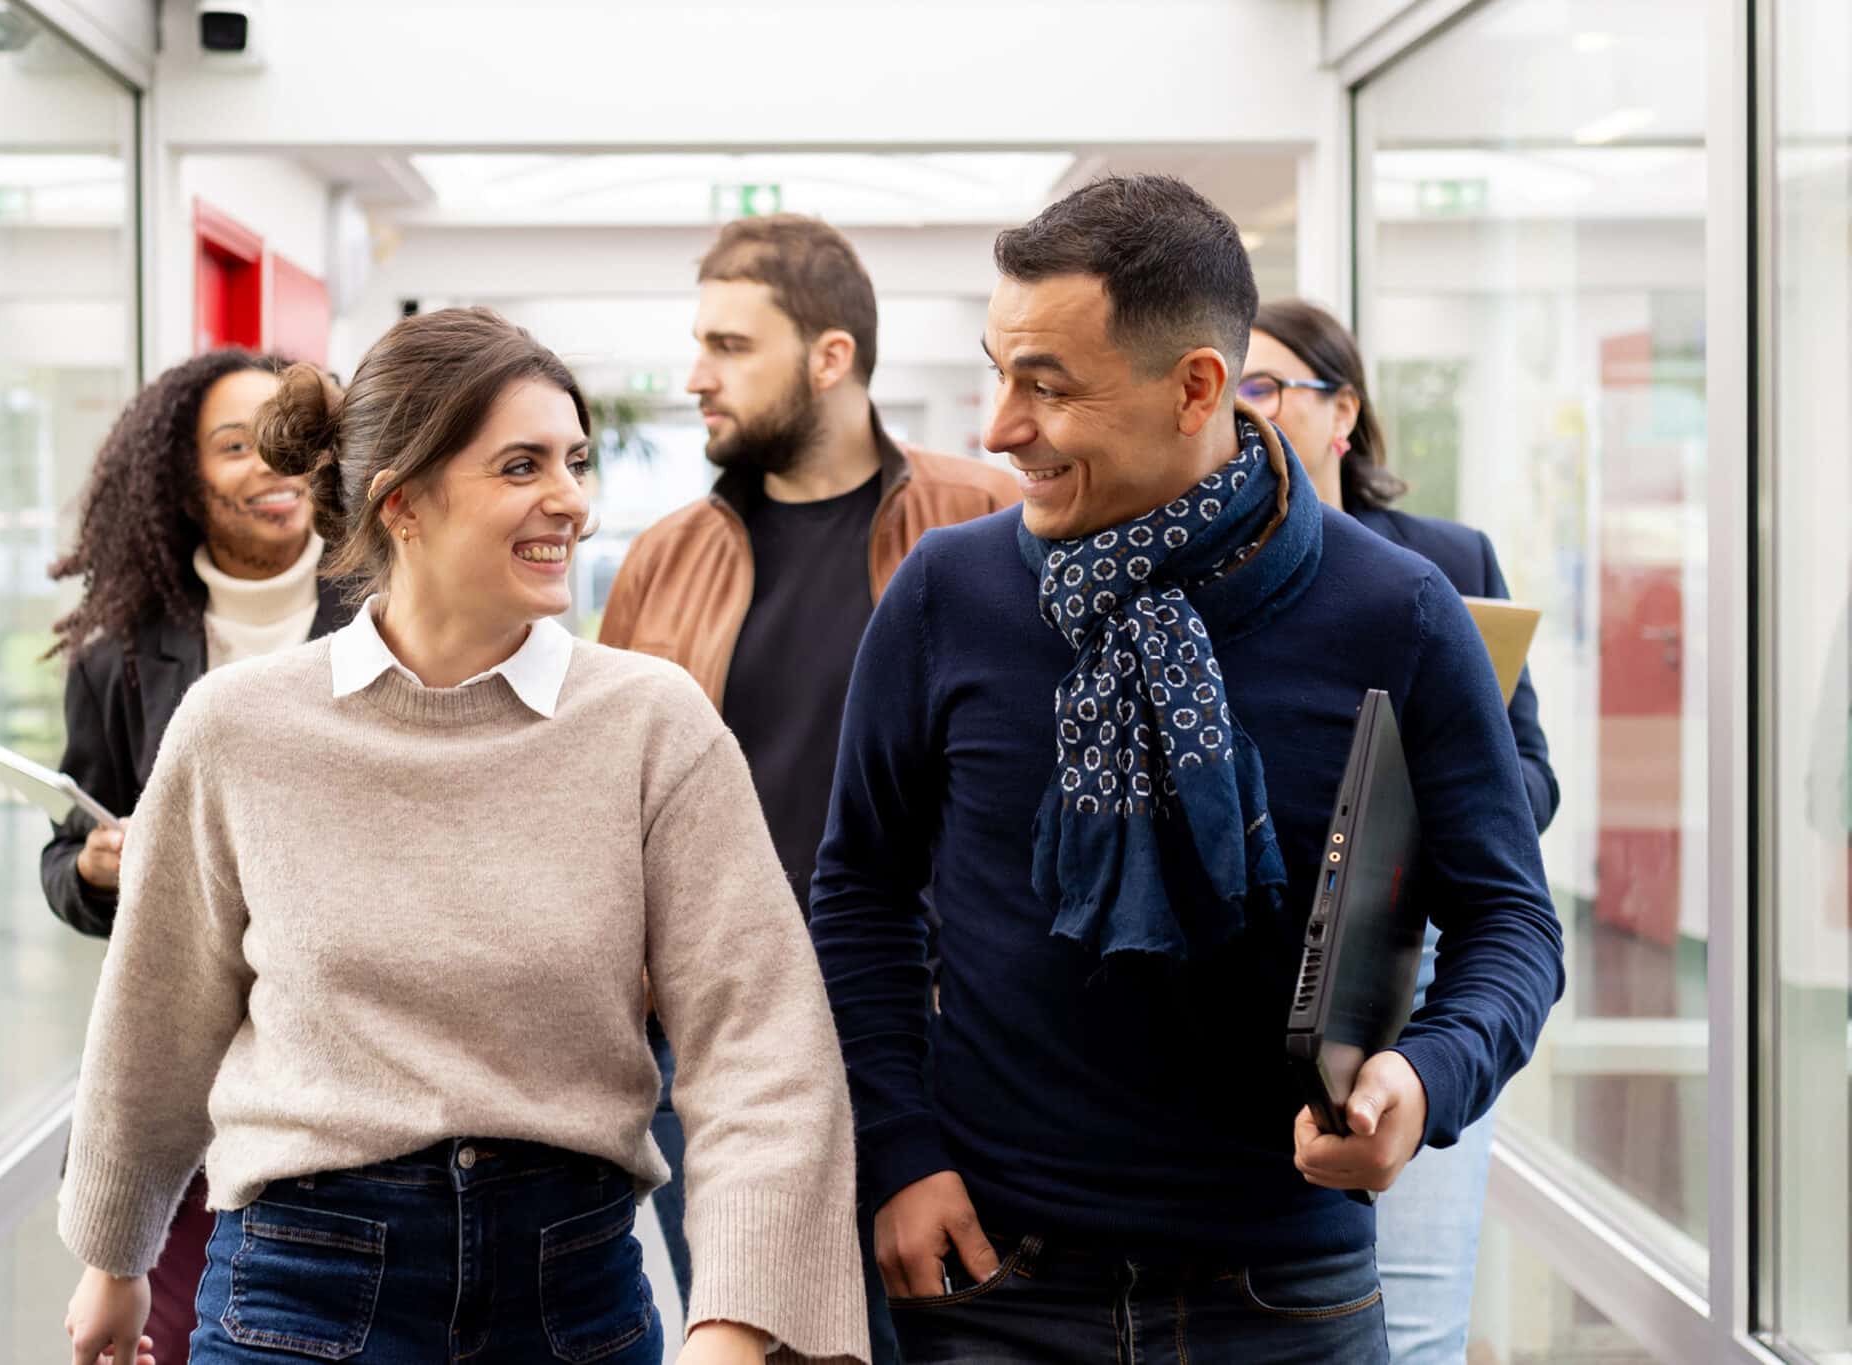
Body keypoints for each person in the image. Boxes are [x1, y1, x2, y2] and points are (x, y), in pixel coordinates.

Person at [809, 176, 1564, 1364]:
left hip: (1285, 1295)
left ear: (1195, 388)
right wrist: (898, 1151)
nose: (999, 428)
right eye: (999, 374)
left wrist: (1424, 1079)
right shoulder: (947, 595)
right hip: (992, 1281)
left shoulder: (1398, 612)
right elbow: (859, 888)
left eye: (1046, 386)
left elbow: (1509, 920)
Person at [60, 307, 868, 1365]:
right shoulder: (238, 726)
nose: (570, 499)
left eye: (575, 461)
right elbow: (157, 1017)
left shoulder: (650, 723)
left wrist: (734, 1318)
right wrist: (112, 1259)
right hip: (299, 1294)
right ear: (401, 502)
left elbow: (761, 1042)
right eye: (522, 465)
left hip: (572, 1297)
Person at [598, 213, 1015, 1335]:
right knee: (756, 1336)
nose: (697, 376)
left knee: (951, 1341)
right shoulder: (663, 561)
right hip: (723, 1048)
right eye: (699, 344)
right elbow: (605, 812)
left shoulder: (984, 520)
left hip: (939, 1033)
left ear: (831, 357)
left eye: (730, 346)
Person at [1244, 298, 1558, 1364]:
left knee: (1417, 1311)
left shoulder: (1443, 566)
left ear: (1342, 413)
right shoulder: (1220, 571)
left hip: (1410, 954)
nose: (1246, 412)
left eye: (1267, 385)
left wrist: (1428, 802)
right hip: (1273, 959)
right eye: (1231, 389)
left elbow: (1530, 779)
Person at [43, 348, 352, 1365]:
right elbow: (64, 859)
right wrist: (97, 868)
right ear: (183, 481)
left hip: (346, 1076)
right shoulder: (120, 653)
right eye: (236, 446)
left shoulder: (392, 619)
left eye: (292, 440)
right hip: (192, 1074)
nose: (273, 465)